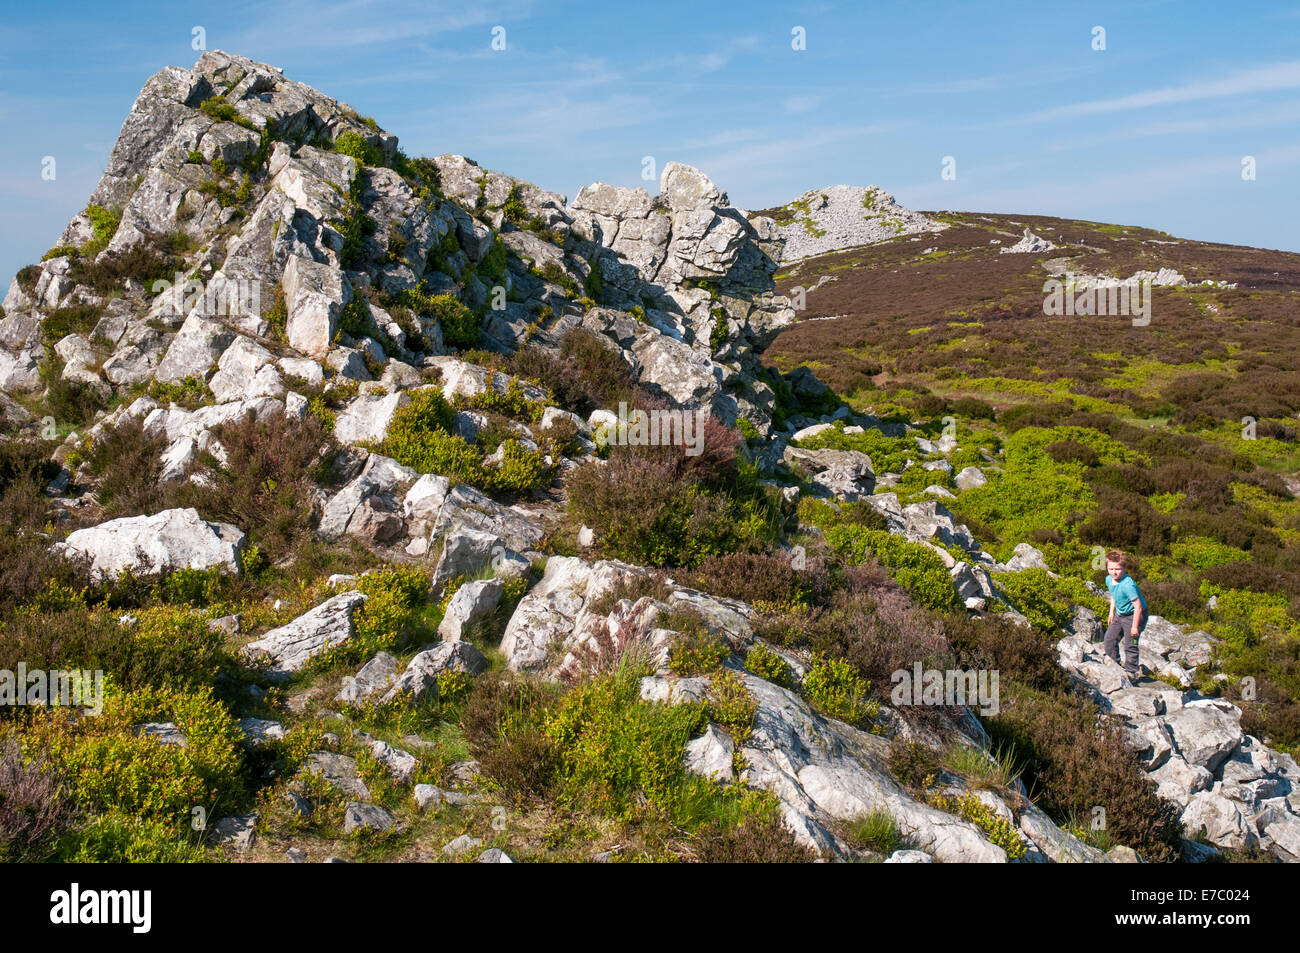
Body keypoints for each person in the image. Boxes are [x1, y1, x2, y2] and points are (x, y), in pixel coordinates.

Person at [1104, 550, 1147, 678]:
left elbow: (1138, 607)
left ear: (1123, 568)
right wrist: (1111, 612)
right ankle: (1115, 666)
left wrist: (1134, 627)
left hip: (1135, 615)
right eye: (1111, 569)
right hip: (1120, 614)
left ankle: (1131, 672)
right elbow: (1114, 595)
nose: (1114, 572)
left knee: (1130, 644)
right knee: (1109, 640)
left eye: (1117, 569)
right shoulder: (1108, 579)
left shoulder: (1128, 585)